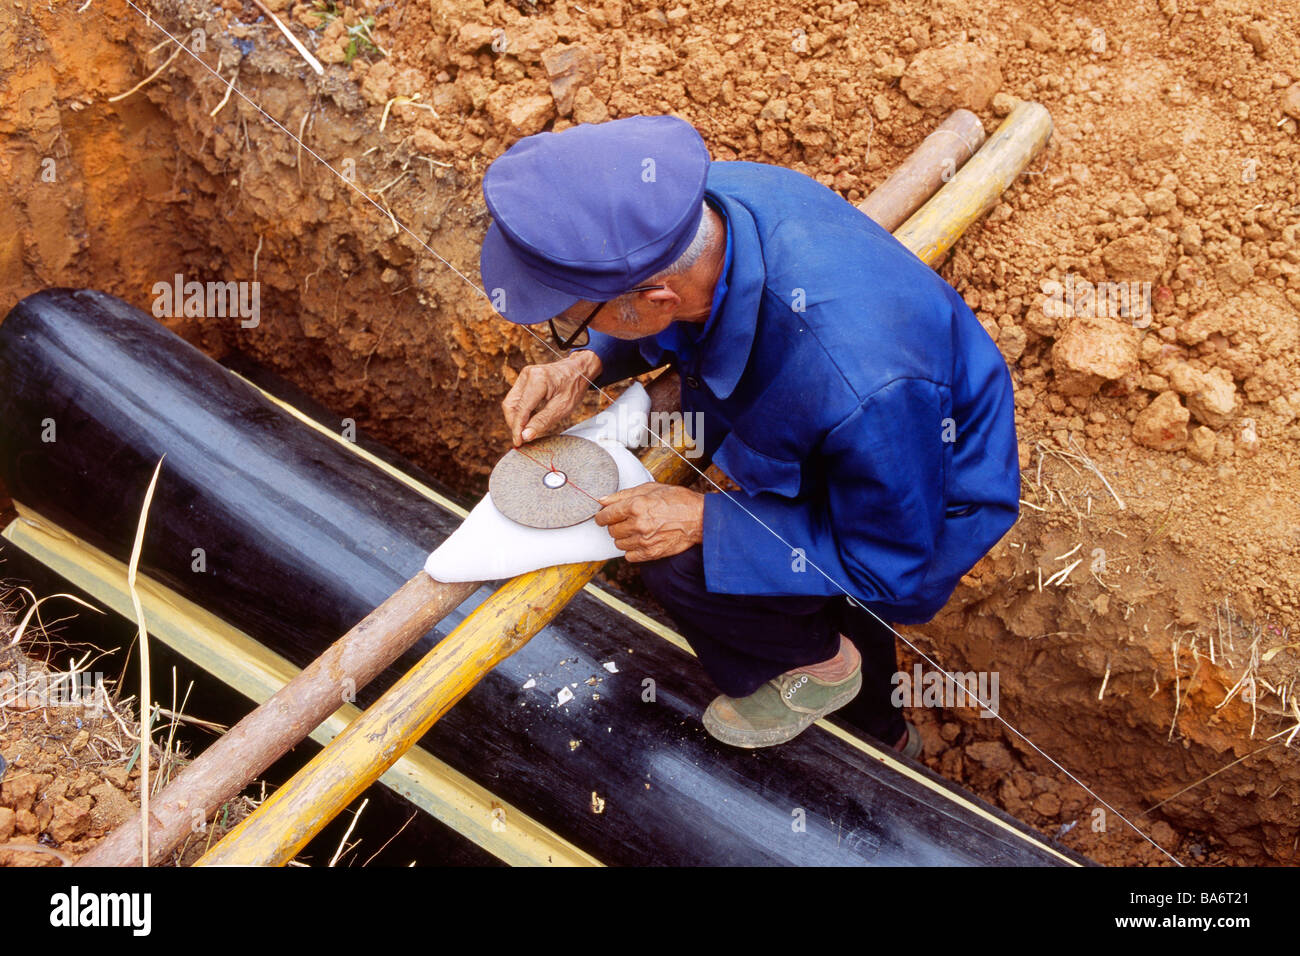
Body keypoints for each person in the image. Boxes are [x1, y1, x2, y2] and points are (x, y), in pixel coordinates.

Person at [481, 114, 1019, 752]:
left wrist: (708, 522)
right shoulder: (704, 215)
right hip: (833, 429)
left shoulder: (857, 382)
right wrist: (586, 361)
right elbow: (655, 307)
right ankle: (854, 683)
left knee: (685, 567)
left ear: (655, 300)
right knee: (745, 540)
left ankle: (844, 693)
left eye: (570, 323)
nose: (568, 333)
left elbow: (894, 560)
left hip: (919, 496)